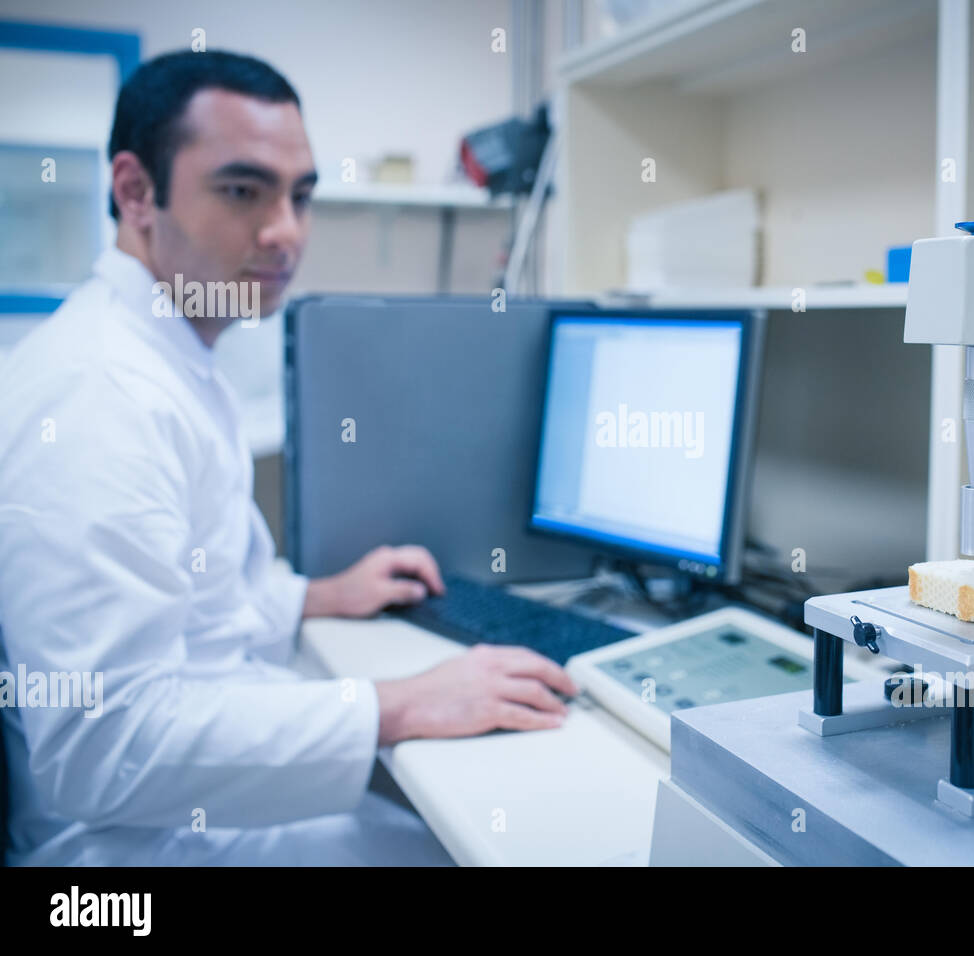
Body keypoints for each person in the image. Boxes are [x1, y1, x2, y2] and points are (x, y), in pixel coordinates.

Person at [0, 49, 577, 866]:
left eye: (301, 195)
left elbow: (203, 603)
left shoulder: (170, 353)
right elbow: (106, 749)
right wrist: (397, 706)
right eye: (243, 191)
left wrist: (317, 595)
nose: (286, 233)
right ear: (136, 192)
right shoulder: (96, 395)